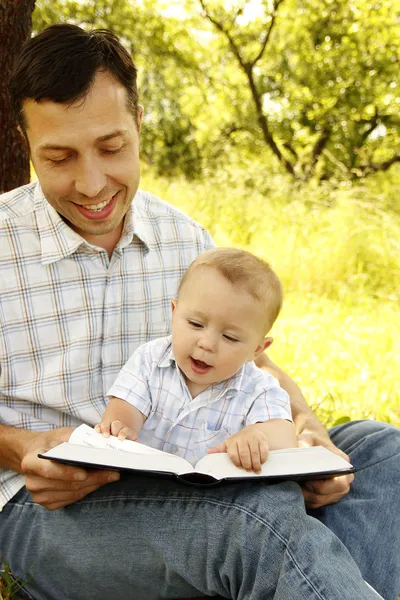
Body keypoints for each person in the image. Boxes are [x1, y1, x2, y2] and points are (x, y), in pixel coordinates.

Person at [0, 23, 398, 600]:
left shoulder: (185, 239)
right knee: (254, 522)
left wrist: (307, 432)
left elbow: (246, 357)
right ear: (23, 139)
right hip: (53, 508)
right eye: (58, 158)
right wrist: (21, 448)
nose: (91, 184)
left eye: (111, 149)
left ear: (139, 123)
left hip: (200, 471)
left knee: (380, 453)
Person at [97, 248, 296, 473]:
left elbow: (285, 437)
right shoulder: (150, 359)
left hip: (219, 498)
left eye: (229, 337)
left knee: (282, 494)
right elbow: (124, 407)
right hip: (146, 487)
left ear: (257, 349)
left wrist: (258, 436)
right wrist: (121, 429)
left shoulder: (258, 388)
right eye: (195, 324)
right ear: (174, 312)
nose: (207, 343)